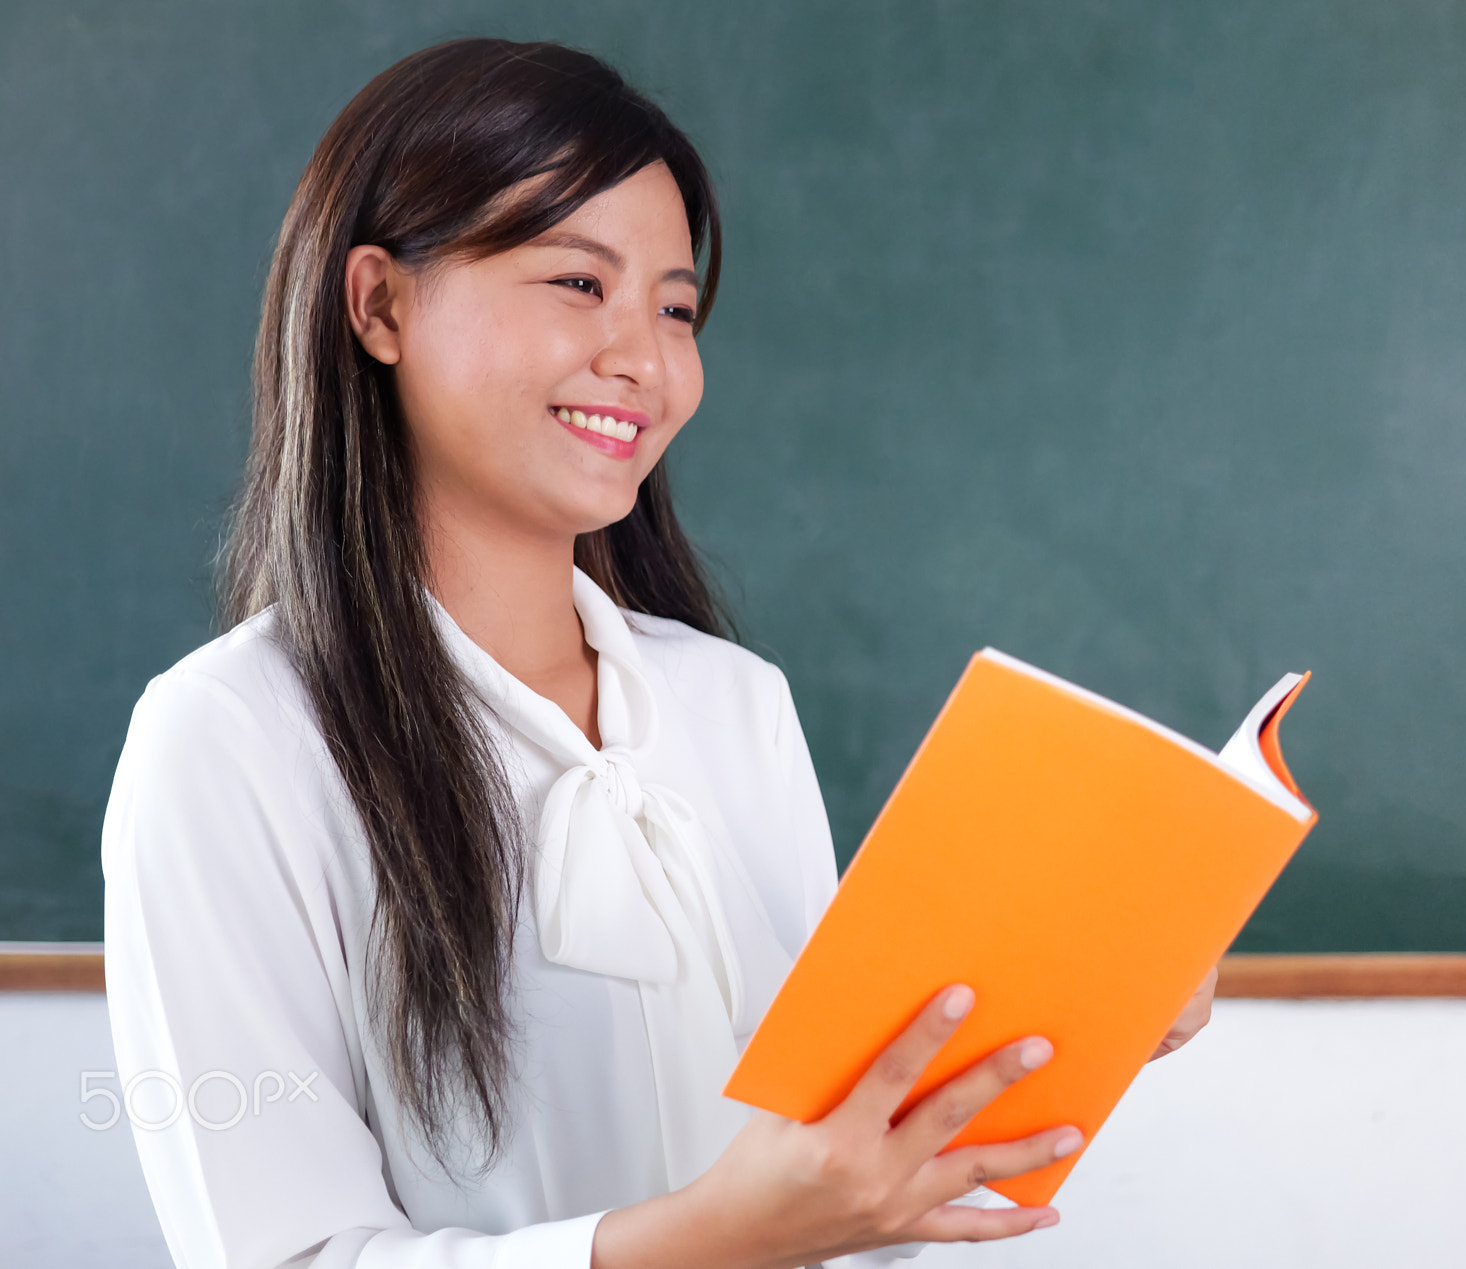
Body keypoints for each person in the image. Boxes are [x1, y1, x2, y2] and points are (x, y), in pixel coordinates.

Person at [99, 37, 1217, 1269]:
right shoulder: (232, 738)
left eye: (675, 308)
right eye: (578, 284)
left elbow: (843, 1185)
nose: (643, 358)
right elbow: (284, 1254)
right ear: (379, 305)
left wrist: (1076, 1012)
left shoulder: (734, 705)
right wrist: (701, 1239)